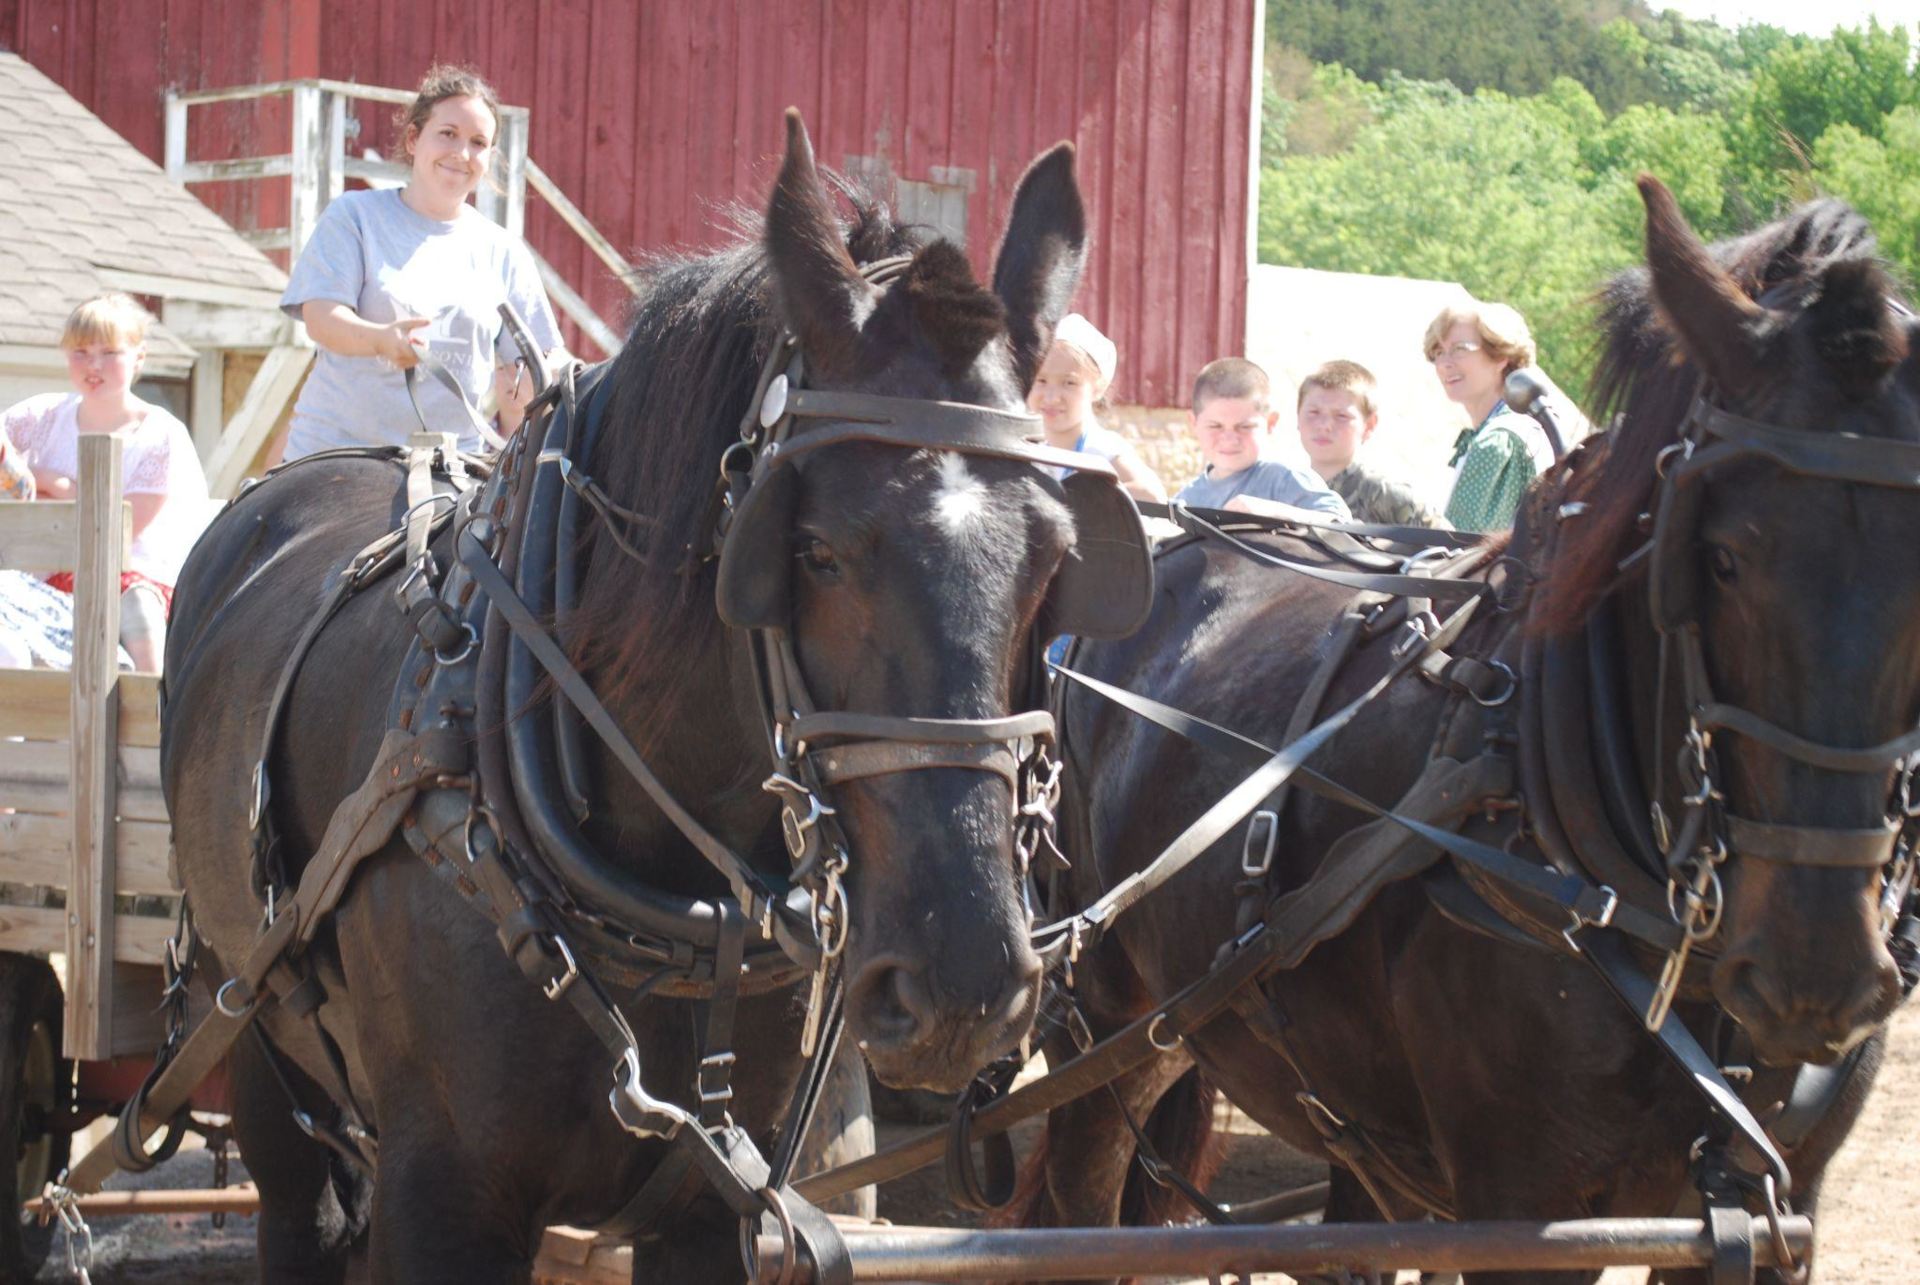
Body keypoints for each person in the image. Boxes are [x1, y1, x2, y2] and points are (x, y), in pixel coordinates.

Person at [275, 65, 563, 462]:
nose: (462, 153)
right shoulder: (355, 216)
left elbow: (544, 361)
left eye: (478, 142)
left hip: (451, 468)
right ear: (413, 139)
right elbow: (320, 319)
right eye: (448, 134)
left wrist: (548, 376)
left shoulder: (505, 252)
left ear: (490, 157)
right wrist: (380, 339)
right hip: (335, 456)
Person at [0, 294, 209, 671]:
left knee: (136, 607)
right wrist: (26, 479)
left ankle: (151, 695)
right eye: (81, 351)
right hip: (41, 571)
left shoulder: (159, 434)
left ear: (138, 357)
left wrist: (57, 486)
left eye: (110, 352)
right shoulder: (42, 414)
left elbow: (121, 530)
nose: (94, 365)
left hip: (130, 574)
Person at [1425, 299, 1553, 531]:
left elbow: (1458, 544)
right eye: (1438, 352)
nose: (1443, 363)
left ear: (1500, 355)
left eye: (1460, 349)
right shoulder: (1517, 427)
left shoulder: (1499, 440)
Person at [1174, 358, 1350, 520]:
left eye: (1244, 427)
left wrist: (1275, 512)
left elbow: (1342, 524)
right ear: (1194, 423)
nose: (1229, 439)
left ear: (1270, 423)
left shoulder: (1284, 479)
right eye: (1215, 426)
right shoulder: (1188, 498)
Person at [1029, 313, 1166, 503]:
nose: (1051, 397)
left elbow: (1153, 495)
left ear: (1098, 388)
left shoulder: (1102, 450)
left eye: (1069, 383)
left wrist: (1080, 500)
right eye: (1041, 380)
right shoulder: (1028, 450)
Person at [1295, 359, 1444, 527]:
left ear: (1369, 425)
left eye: (1341, 416)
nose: (1324, 425)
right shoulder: (1288, 491)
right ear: (1298, 417)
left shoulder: (1385, 495)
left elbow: (1450, 541)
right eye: (1314, 412)